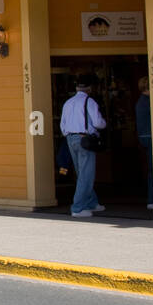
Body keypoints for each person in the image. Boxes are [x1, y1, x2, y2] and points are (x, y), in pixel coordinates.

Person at [59, 74, 107, 217]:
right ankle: (78, 208)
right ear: (90, 88)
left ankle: (92, 203)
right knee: (86, 174)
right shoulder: (89, 101)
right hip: (85, 139)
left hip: (70, 139)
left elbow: (63, 125)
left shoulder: (68, 102)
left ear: (76, 87)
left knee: (82, 173)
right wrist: (104, 124)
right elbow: (98, 123)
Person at [136, 77, 153, 211]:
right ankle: (152, 199)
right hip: (150, 136)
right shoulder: (147, 102)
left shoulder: (140, 102)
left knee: (152, 169)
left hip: (144, 136)